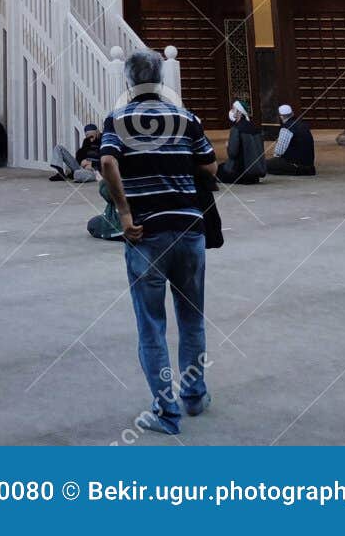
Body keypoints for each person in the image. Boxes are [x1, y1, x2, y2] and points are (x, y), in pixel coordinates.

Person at [100, 49, 216, 435]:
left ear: (129, 81)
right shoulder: (186, 117)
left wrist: (125, 212)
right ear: (161, 78)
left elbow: (107, 163)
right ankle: (195, 395)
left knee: (151, 324)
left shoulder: (118, 119)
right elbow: (210, 165)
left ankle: (166, 412)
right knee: (191, 319)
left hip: (146, 235)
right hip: (189, 230)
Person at [217, 100, 267, 184]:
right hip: (254, 175)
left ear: (239, 112)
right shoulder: (256, 128)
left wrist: (228, 145)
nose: (231, 111)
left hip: (240, 173)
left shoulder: (236, 129)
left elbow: (232, 153)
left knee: (217, 170)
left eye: (233, 109)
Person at [268, 104, 316, 176]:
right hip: (309, 165)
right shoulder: (303, 125)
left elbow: (278, 152)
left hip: (295, 164)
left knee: (265, 164)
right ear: (292, 113)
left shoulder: (286, 128)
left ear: (281, 117)